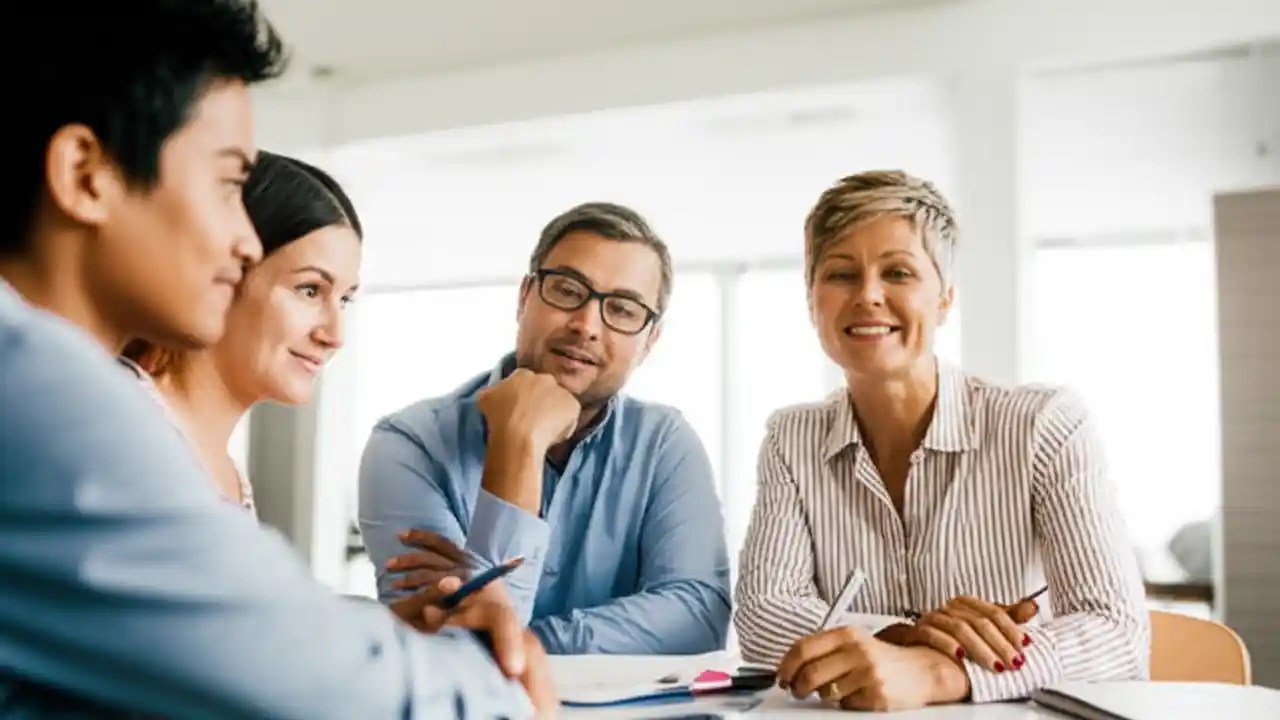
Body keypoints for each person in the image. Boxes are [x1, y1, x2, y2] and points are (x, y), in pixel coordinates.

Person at [1, 2, 552, 717]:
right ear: (86, 174)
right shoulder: (44, 398)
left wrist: (375, 636)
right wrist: (495, 685)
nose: (244, 241)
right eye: (229, 184)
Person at [733, 170, 1149, 711]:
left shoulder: (1045, 424)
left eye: (898, 272)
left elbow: (1117, 635)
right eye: (840, 274)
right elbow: (764, 621)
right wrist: (905, 637)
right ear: (812, 302)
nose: (868, 295)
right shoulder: (790, 439)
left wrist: (939, 670)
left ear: (945, 298)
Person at [358, 202, 731, 655]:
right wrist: (520, 443)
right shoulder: (409, 445)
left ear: (649, 342)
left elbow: (697, 616)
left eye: (624, 309)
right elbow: (454, 652)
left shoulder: (664, 444)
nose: (586, 325)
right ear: (524, 297)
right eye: (568, 290)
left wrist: (526, 641)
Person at [121, 150, 363, 517]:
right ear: (226, 275)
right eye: (310, 290)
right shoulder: (123, 425)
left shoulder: (226, 473)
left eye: (344, 299)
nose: (334, 335)